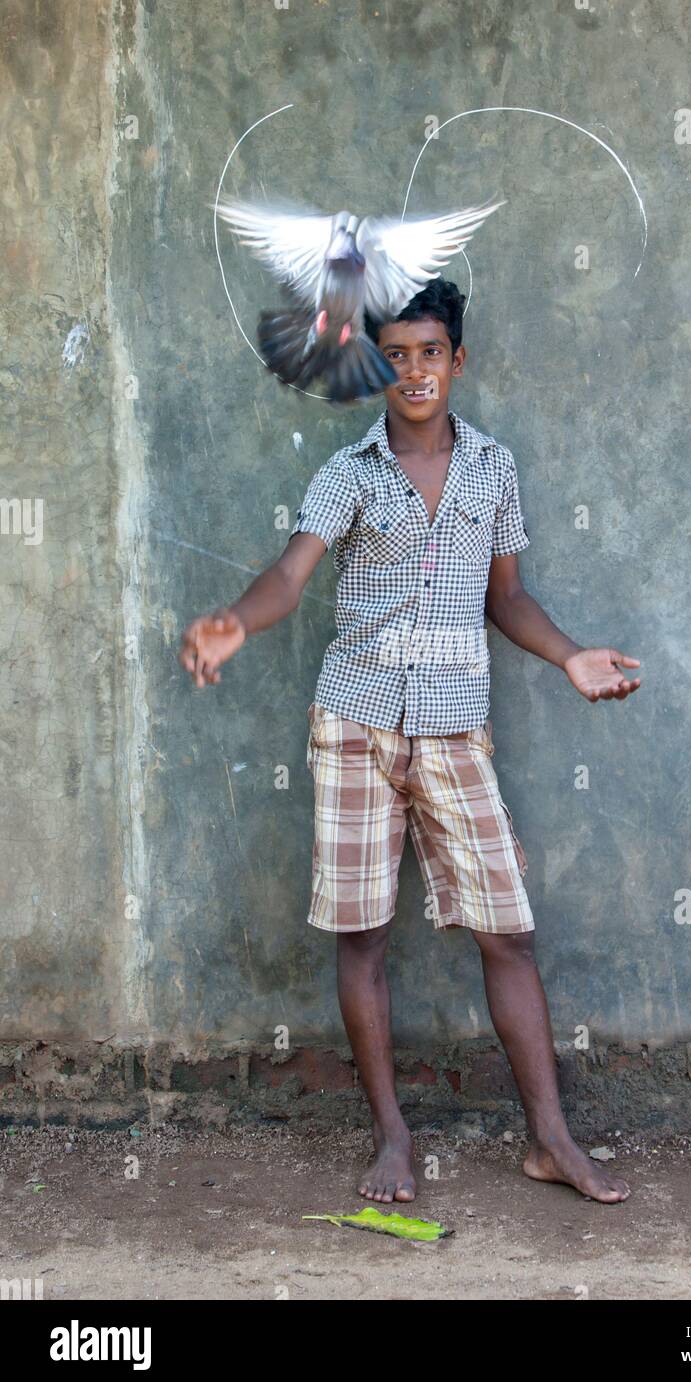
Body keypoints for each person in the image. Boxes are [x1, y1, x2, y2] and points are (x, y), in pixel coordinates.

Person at [178, 279, 640, 1205]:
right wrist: (238, 621)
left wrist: (569, 658)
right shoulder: (347, 475)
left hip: (455, 725)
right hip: (355, 723)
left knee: (507, 931)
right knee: (363, 937)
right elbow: (289, 573)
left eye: (431, 352)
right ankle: (391, 1136)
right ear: (374, 365)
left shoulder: (493, 471)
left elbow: (505, 599)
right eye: (396, 355)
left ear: (456, 361)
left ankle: (551, 1139)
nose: (415, 370)